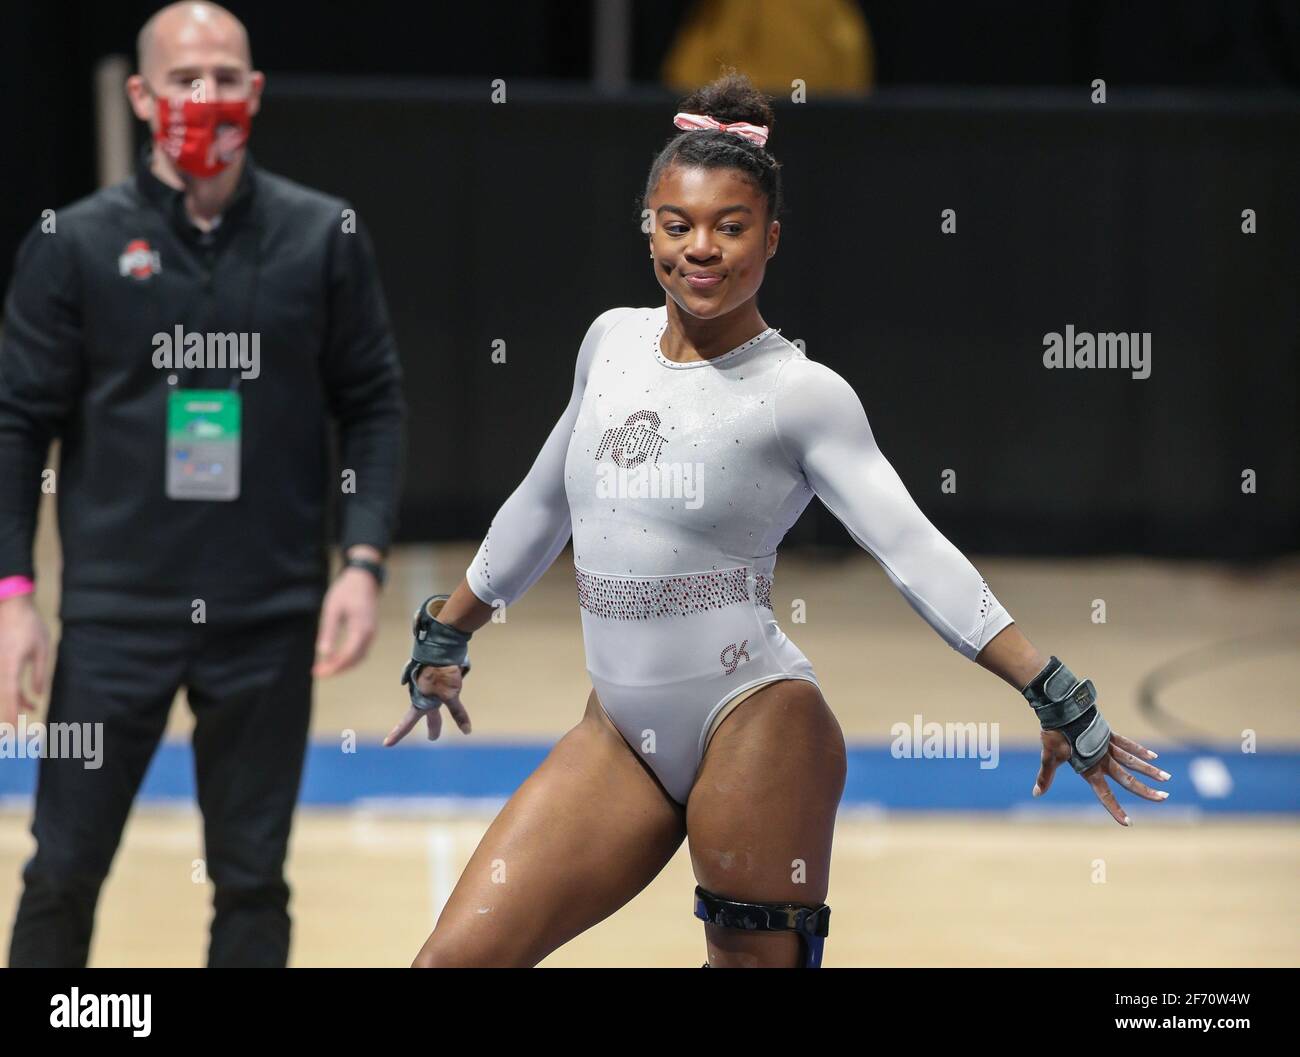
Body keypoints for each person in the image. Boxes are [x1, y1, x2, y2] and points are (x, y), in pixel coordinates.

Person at [385, 72, 1171, 969]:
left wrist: (1052, 688)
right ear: (648, 228)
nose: (701, 249)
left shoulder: (800, 394)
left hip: (757, 722)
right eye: (676, 225)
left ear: (772, 236)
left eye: (731, 225)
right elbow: (541, 502)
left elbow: (911, 547)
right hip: (618, 734)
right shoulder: (607, 342)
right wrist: (447, 633)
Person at [0, 1, 403, 967]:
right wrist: (14, 595)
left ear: (255, 91)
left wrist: (360, 561)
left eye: (226, 76)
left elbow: (375, 403)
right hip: (114, 619)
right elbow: (17, 425)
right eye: (184, 80)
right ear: (142, 96)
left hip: (268, 617)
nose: (207, 97)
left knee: (252, 882)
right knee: (61, 868)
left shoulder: (321, 235)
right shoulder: (76, 245)